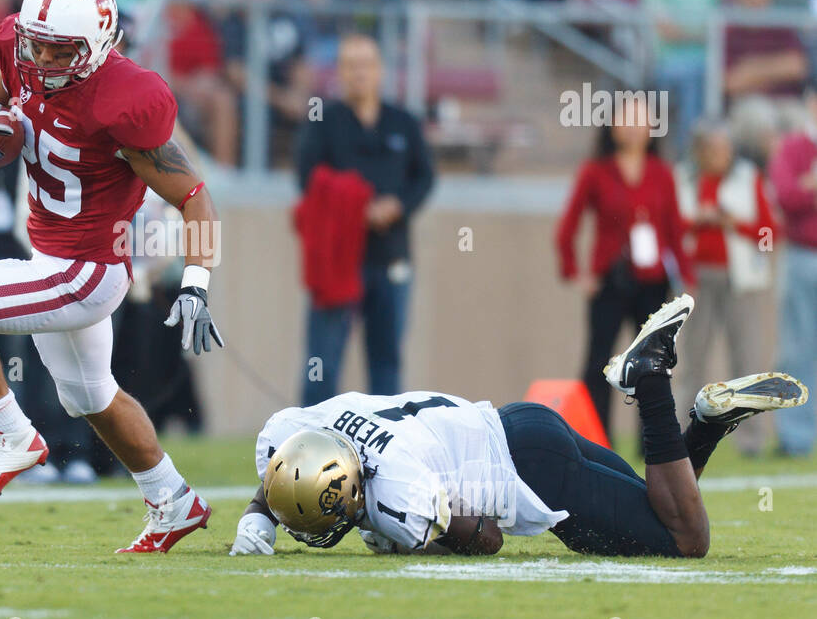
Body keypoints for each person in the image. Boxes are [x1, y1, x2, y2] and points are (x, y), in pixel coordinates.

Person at [0, 0, 223, 552]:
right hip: (49, 256)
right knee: (89, 396)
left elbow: (193, 196)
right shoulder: (20, 54)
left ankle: (10, 437)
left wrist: (196, 284)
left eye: (63, 49)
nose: (46, 59)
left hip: (85, 271)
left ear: (102, 44)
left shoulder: (127, 99)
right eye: (39, 44)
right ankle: (173, 500)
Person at [231, 295, 808, 558]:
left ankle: (652, 380)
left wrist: (418, 541)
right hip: (516, 421)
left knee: (687, 539)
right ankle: (706, 424)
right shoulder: (304, 426)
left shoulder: (395, 496)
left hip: (532, 474)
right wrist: (259, 516)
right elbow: (281, 466)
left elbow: (487, 537)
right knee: (660, 500)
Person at [297, 33, 434, 405]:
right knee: (322, 361)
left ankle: (385, 448)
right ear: (340, 72)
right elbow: (308, 179)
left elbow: (424, 177)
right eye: (351, 65)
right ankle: (310, 441)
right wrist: (357, 206)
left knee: (386, 360)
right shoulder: (325, 120)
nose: (359, 73)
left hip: (390, 255)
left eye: (366, 64)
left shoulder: (403, 122)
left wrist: (397, 207)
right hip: (339, 260)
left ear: (380, 70)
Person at [556, 99, 691, 438]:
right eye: (625, 120)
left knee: (652, 364)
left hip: (653, 281)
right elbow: (567, 228)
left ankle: (655, 441)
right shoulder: (596, 171)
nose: (632, 127)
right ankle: (596, 436)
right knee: (600, 361)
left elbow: (675, 228)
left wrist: (687, 277)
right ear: (613, 127)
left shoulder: (662, 172)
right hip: (610, 281)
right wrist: (577, 274)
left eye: (639, 121)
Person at [674, 126, 779, 455]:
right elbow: (672, 226)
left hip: (739, 279)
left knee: (745, 357)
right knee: (693, 359)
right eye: (712, 150)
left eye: (724, 150)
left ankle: (752, 441)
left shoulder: (747, 178)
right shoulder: (684, 179)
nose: (719, 156)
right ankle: (682, 438)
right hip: (697, 278)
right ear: (700, 152)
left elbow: (768, 233)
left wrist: (735, 225)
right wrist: (697, 221)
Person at [639, 0, 725, 151]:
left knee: (713, 74)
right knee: (693, 76)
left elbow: (719, 28)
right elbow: (664, 29)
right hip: (666, 61)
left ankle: (699, 148)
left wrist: (691, 34)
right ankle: (687, 152)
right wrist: (699, 35)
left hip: (709, 61)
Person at [768, 85, 817, 456]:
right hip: (803, 255)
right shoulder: (792, 148)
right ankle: (796, 436)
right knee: (799, 348)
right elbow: (786, 197)